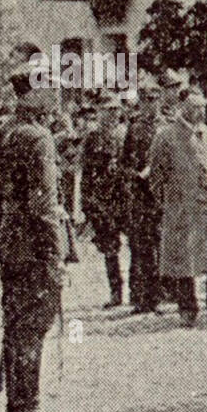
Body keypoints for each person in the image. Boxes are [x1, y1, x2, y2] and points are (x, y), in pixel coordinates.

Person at [0, 66, 71, 412]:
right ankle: (26, 408)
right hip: (34, 243)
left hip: (10, 240)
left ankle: (18, 408)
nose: (56, 95)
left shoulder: (4, 132)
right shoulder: (37, 137)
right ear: (32, 92)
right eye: (51, 88)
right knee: (34, 323)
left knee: (18, 322)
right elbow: (44, 204)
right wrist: (55, 253)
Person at [149, 86, 207, 327]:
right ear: (182, 107)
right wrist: (170, 202)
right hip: (184, 209)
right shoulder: (165, 135)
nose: (199, 112)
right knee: (185, 259)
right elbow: (156, 176)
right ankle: (188, 309)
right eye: (193, 107)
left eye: (201, 107)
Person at [122, 76, 169, 314]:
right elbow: (124, 162)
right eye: (145, 100)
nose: (150, 104)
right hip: (141, 195)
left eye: (154, 99)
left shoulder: (167, 126)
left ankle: (159, 296)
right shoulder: (134, 128)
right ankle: (142, 298)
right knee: (141, 248)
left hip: (163, 195)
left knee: (161, 246)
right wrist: (137, 174)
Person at [80, 89, 128, 309]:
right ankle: (116, 291)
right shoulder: (92, 138)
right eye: (108, 110)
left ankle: (142, 291)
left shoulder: (125, 134)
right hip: (103, 200)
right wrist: (87, 202)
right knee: (110, 248)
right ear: (99, 112)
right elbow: (86, 172)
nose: (112, 114)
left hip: (126, 197)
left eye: (115, 110)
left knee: (138, 245)